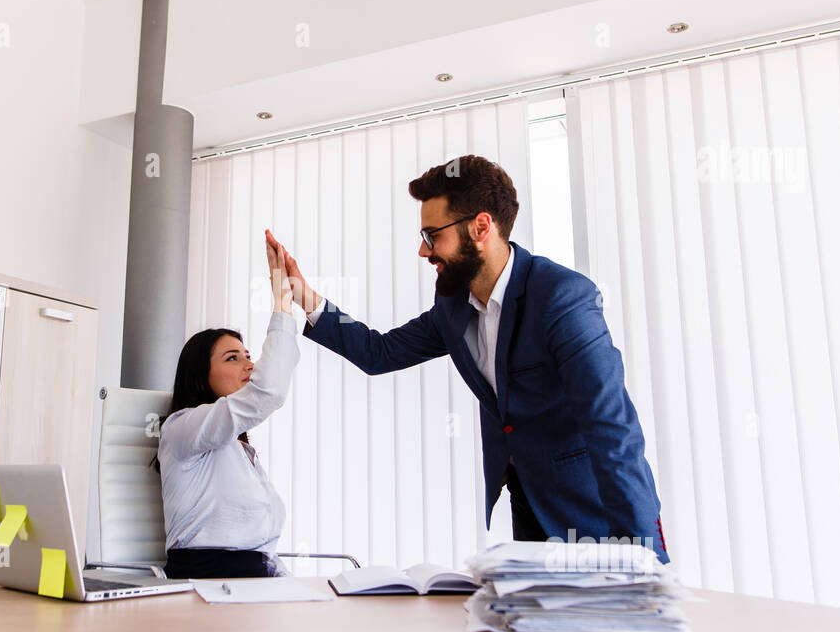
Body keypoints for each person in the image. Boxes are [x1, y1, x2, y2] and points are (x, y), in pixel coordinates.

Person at [267, 154, 670, 563]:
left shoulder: (562, 298)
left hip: (594, 511)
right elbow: (379, 352)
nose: (424, 252)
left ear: (481, 227)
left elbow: (611, 429)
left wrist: (644, 557)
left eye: (432, 235)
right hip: (527, 503)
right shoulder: (453, 305)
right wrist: (304, 295)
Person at [152, 233, 300, 578]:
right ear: (201, 379)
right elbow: (269, 391)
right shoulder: (181, 428)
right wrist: (282, 301)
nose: (250, 365)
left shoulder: (239, 449)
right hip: (209, 586)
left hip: (257, 584)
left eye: (249, 356)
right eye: (233, 358)